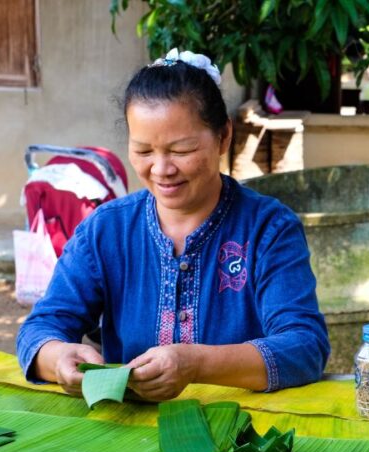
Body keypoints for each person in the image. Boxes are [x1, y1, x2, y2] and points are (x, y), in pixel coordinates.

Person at [16, 48, 330, 401]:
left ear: (224, 137)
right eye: (144, 151)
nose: (161, 169)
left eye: (181, 150)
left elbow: (304, 347)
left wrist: (196, 363)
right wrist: (58, 358)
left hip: (241, 434)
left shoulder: (268, 229)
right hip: (127, 433)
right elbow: (40, 329)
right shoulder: (106, 231)